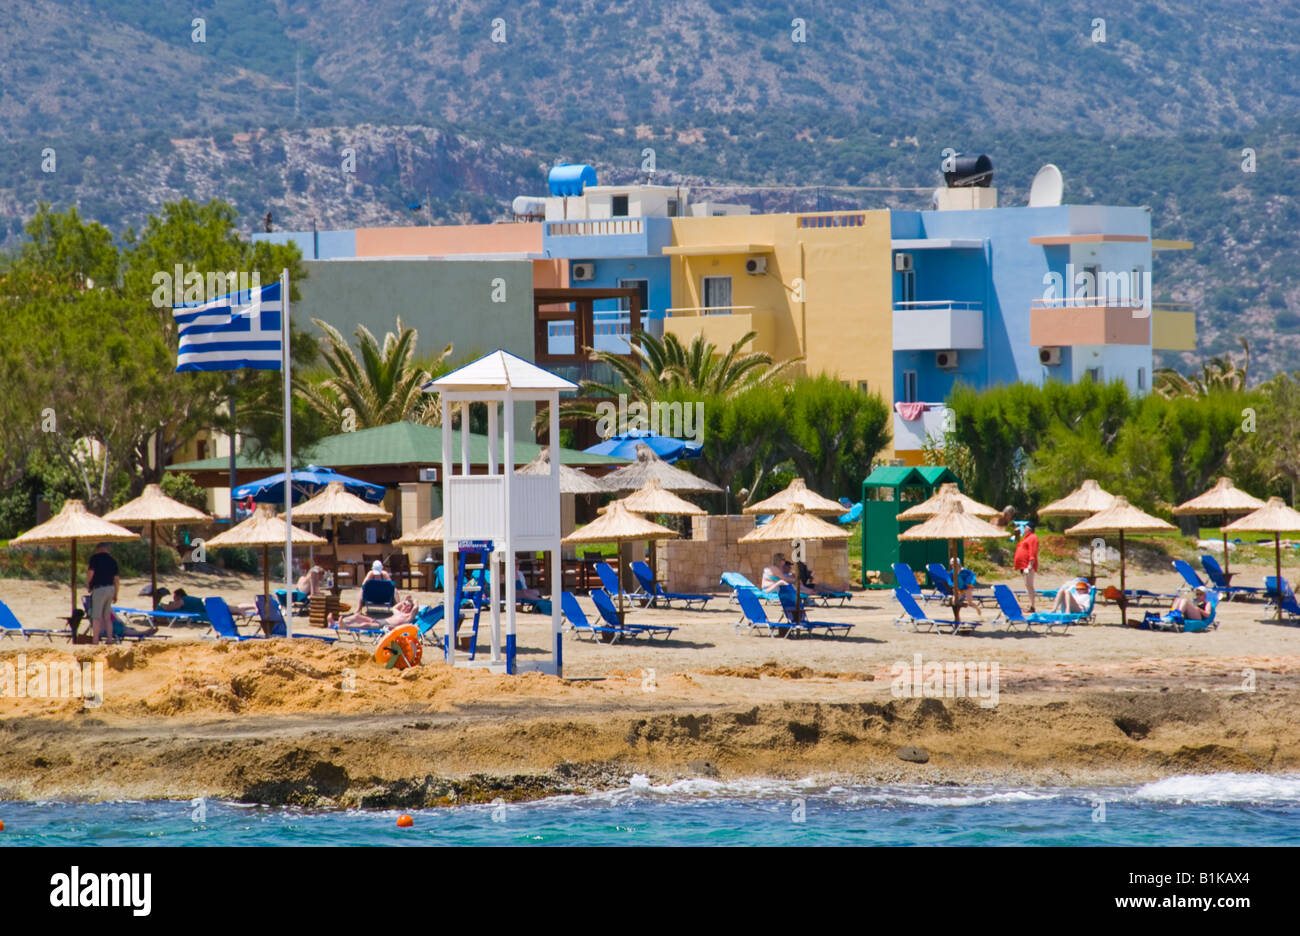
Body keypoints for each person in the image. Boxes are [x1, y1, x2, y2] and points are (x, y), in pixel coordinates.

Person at [86, 542, 120, 645]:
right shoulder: (113, 560)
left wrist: (88, 584)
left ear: (98, 549)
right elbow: (117, 580)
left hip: (99, 589)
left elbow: (90, 573)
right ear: (107, 549)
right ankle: (109, 639)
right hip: (110, 588)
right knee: (107, 617)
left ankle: (95, 640)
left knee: (96, 616)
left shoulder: (95, 558)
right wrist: (116, 594)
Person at [328, 594, 419, 630]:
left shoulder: (408, 616)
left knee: (364, 625)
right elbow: (394, 607)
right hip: (380, 620)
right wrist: (404, 601)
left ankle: (345, 626)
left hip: (385, 626)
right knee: (357, 616)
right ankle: (334, 623)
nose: (405, 607)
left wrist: (414, 601)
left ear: (410, 608)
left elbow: (415, 609)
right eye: (404, 605)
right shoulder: (398, 613)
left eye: (408, 606)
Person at [1013, 522, 1040, 612]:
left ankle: (1032, 606)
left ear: (1029, 529)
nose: (1023, 529)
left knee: (1029, 585)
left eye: (1025, 528)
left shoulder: (1032, 537)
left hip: (1028, 565)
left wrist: (1030, 565)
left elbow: (1033, 551)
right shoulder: (1027, 538)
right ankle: (1031, 605)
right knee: (1027, 585)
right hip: (1023, 565)